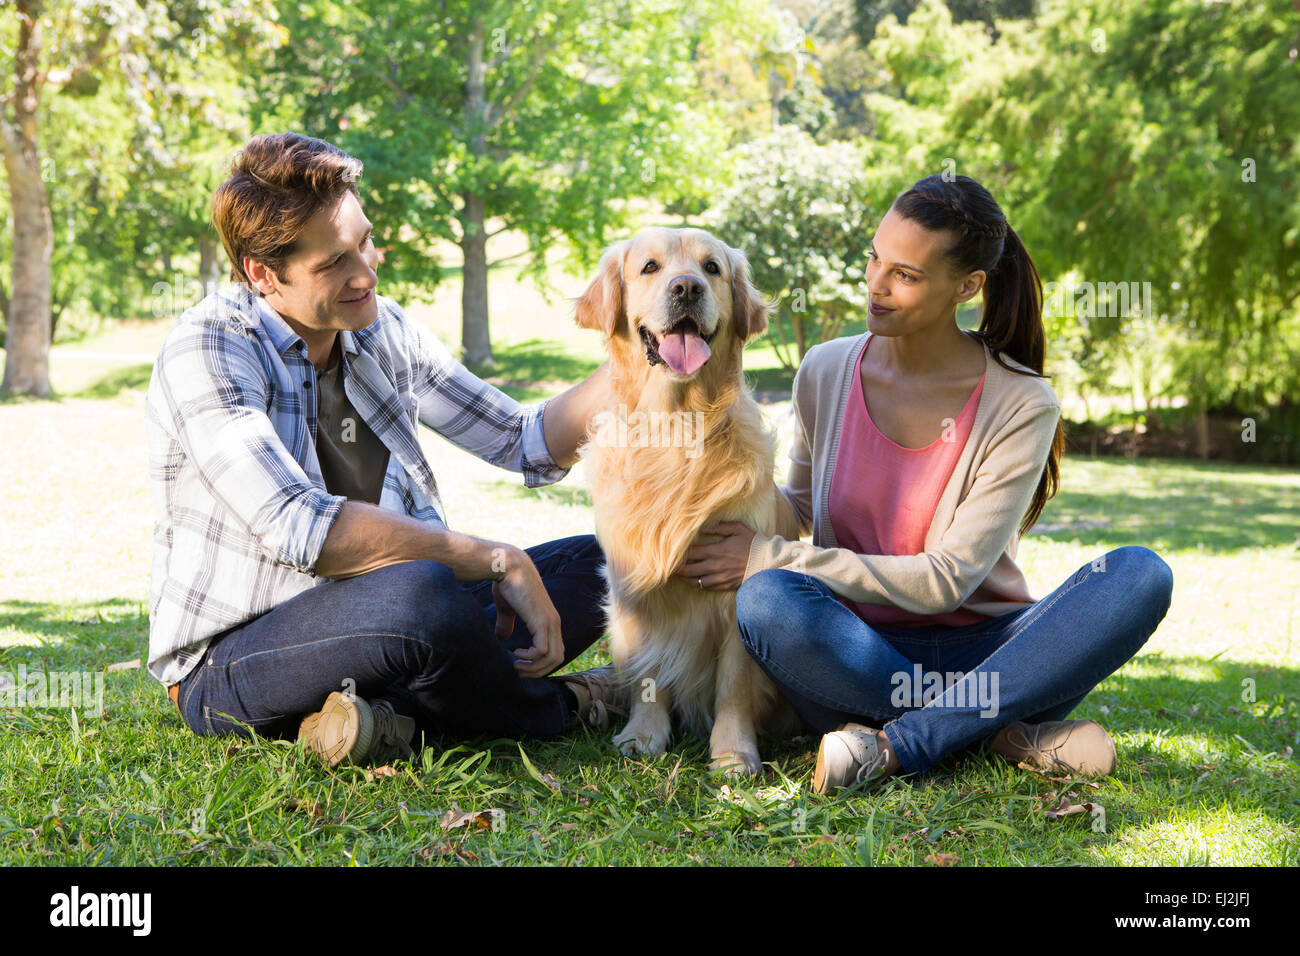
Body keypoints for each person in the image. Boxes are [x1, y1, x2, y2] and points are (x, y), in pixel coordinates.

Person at [675, 174, 1174, 793]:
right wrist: (712, 452)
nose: (877, 286)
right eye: (875, 258)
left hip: (992, 653)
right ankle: (1000, 735)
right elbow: (795, 509)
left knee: (1139, 575)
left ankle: (895, 746)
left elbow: (947, 580)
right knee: (768, 602)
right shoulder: (826, 370)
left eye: (906, 275)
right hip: (855, 652)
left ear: (966, 287)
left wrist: (765, 556)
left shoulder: (1021, 402)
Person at [146, 132, 626, 767]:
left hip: (391, 619)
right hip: (237, 658)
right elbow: (302, 528)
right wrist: (495, 559)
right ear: (262, 275)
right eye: (333, 264)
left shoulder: (379, 326)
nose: (365, 274)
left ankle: (382, 719)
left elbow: (521, 438)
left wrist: (635, 362)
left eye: (364, 243)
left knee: (610, 561)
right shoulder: (209, 349)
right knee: (426, 597)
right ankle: (565, 704)